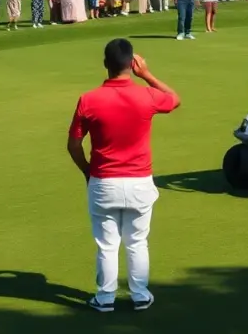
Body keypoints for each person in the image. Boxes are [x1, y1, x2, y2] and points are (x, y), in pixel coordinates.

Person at [67, 39, 180, 312]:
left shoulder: (89, 99)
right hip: (139, 181)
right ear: (132, 64)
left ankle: (105, 298)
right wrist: (147, 75)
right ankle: (140, 295)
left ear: (105, 64)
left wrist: (87, 171)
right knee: (137, 241)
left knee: (107, 244)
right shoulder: (147, 95)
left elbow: (73, 145)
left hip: (104, 181)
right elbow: (174, 99)